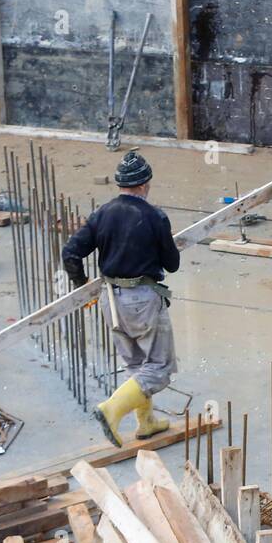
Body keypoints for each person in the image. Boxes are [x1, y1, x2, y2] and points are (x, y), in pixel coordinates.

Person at [61, 150, 180, 446]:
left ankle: (147, 422)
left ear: (120, 185)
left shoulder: (102, 214)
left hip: (110, 299)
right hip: (143, 298)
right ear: (145, 183)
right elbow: (172, 264)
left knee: (136, 365)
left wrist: (82, 283)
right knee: (159, 368)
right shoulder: (154, 216)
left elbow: (71, 253)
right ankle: (111, 409)